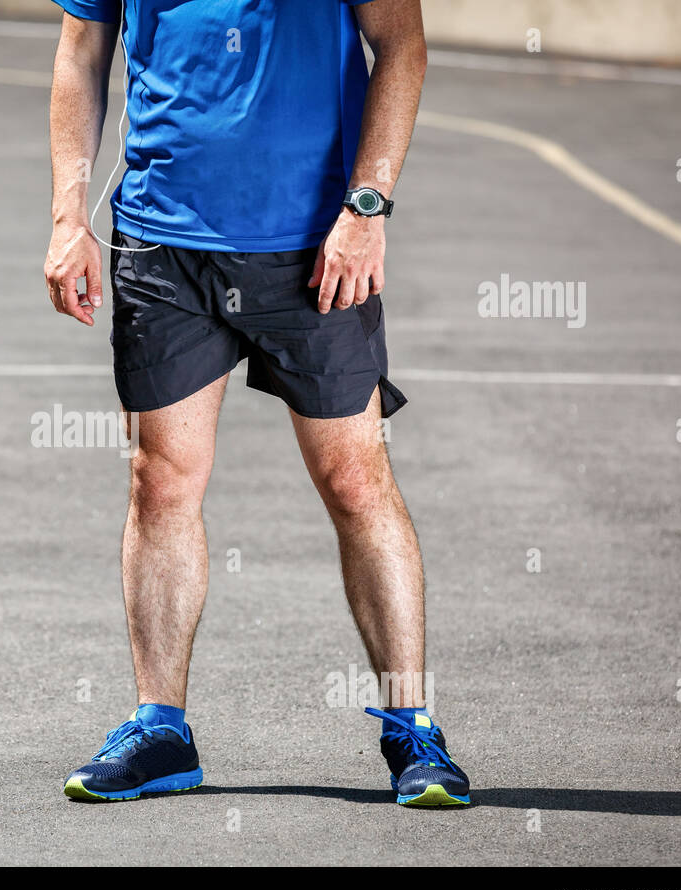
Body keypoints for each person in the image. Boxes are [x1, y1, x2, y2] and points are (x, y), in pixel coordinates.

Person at [44, 0, 470, 807]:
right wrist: (70, 214)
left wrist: (368, 207)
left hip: (315, 248)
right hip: (163, 244)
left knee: (354, 478)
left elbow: (401, 46)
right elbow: (81, 50)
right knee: (160, 480)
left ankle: (413, 728)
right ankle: (160, 729)